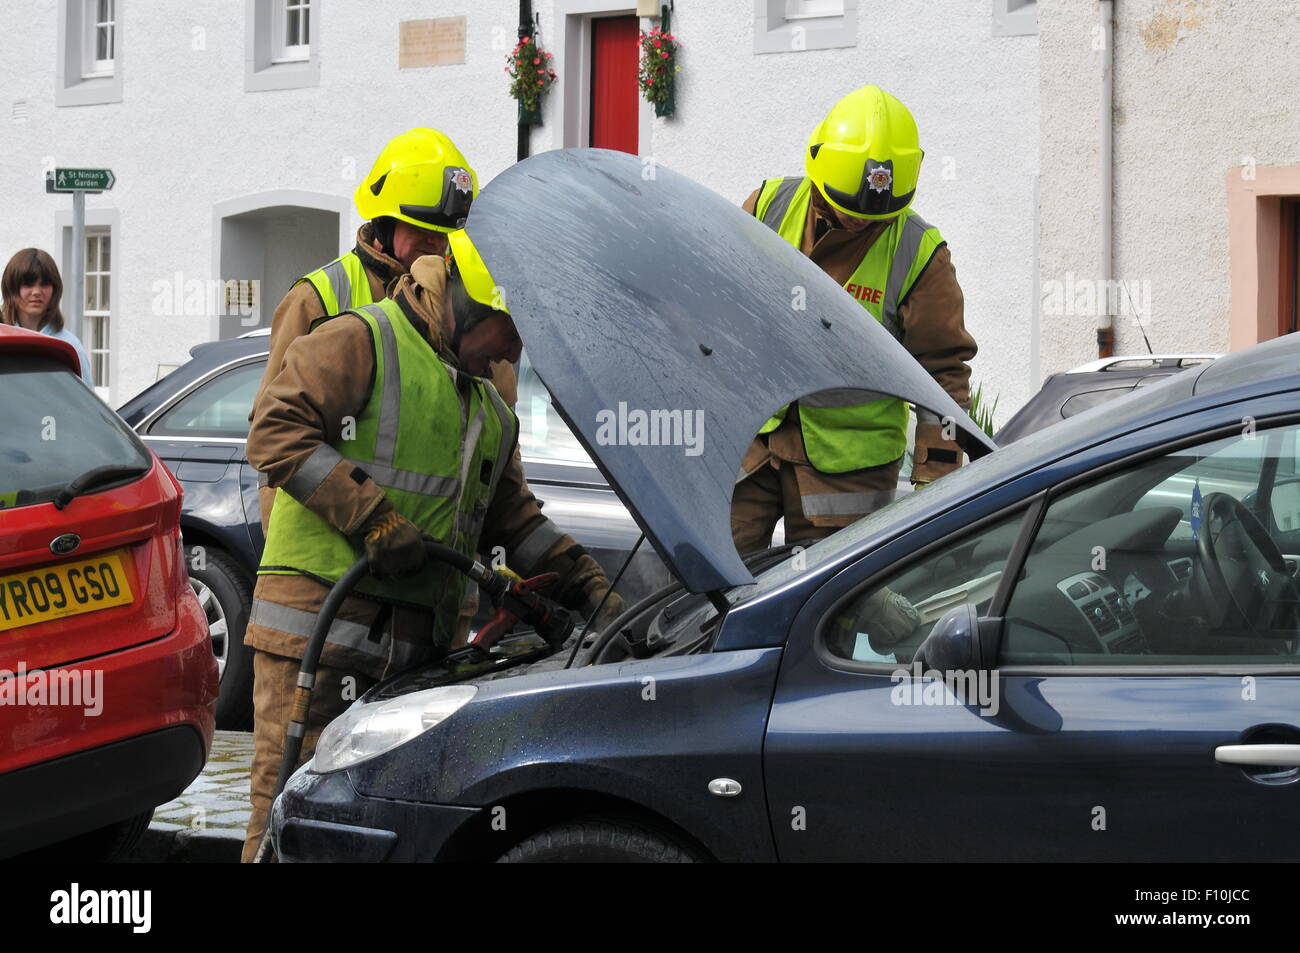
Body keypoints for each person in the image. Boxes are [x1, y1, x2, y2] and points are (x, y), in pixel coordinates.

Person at [240, 236, 626, 862]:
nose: (514, 353)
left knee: (378, 827)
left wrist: (583, 581)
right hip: (321, 636)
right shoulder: (364, 339)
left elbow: (510, 518)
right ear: (469, 305)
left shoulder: (489, 407)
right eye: (511, 333)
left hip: (418, 657)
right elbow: (274, 431)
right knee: (290, 818)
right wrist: (372, 517)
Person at [731, 85, 977, 554]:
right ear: (818, 167)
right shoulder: (768, 207)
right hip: (753, 443)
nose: (863, 223)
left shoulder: (920, 253)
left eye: (875, 216)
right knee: (715, 579)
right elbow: (715, 305)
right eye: (850, 211)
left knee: (830, 594)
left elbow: (942, 372)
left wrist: (936, 478)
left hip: (848, 474)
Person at [250, 127, 518, 536]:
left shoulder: (469, 308)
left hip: (427, 555)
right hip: (332, 552)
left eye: (449, 234)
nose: (439, 244)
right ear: (384, 224)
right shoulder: (319, 297)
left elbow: (497, 432)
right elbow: (273, 432)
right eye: (424, 229)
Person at [1, 248, 94, 384]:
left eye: (44, 284)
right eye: (28, 284)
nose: (36, 292)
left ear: (55, 289)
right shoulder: (2, 342)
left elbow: (84, 397)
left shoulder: (69, 348)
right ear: (11, 288)